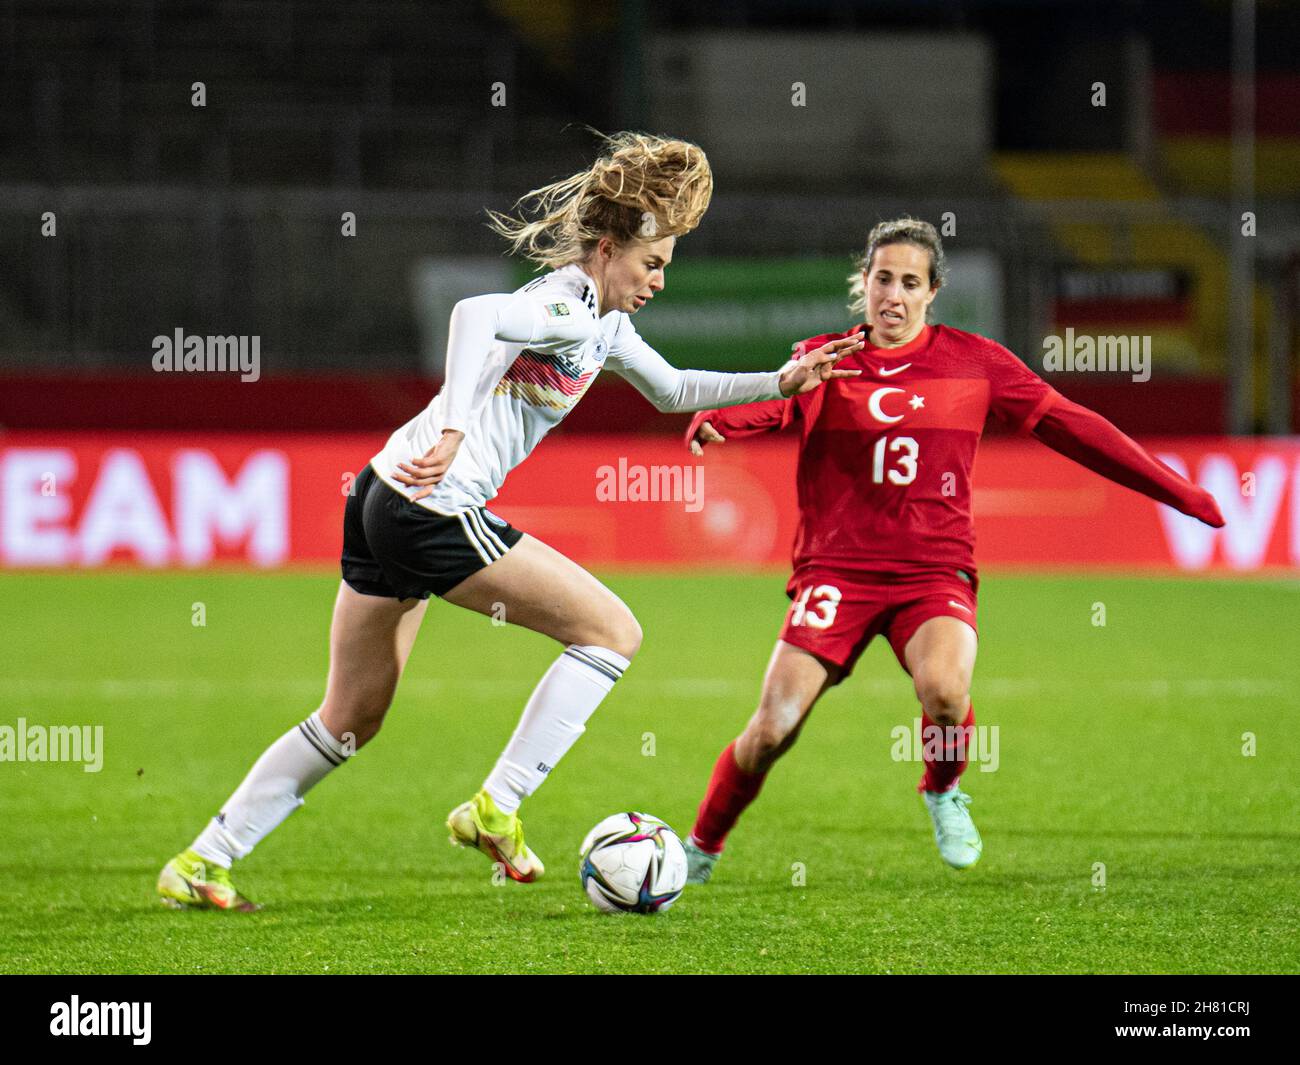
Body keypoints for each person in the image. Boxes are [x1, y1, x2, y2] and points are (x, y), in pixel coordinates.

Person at [155, 131, 862, 910]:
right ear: (606, 248)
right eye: (651, 263)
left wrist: (781, 380)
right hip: (432, 504)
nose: (659, 279)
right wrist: (457, 423)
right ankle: (497, 804)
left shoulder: (605, 324)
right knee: (612, 632)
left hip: (383, 497)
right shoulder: (561, 303)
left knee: (351, 716)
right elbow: (470, 316)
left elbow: (671, 390)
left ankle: (204, 858)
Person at [680, 217, 1225, 882]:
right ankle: (701, 844)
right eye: (883, 278)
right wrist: (719, 421)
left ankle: (942, 788)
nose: (894, 294)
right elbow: (776, 398)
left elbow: (1073, 426)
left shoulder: (977, 362)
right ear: (865, 282)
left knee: (943, 691)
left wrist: (1176, 490)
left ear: (932, 290)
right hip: (836, 571)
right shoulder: (825, 356)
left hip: (933, 571)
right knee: (770, 729)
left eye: (910, 282)